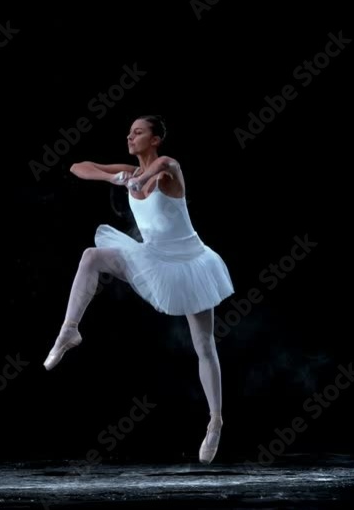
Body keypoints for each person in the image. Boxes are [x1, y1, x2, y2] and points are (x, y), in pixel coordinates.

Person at [42, 114, 235, 464]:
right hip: (152, 259)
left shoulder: (167, 172)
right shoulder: (129, 171)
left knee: (204, 345)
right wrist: (113, 177)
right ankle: (68, 332)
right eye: (129, 132)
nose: (130, 137)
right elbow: (76, 166)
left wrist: (142, 177)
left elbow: (165, 163)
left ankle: (216, 421)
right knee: (91, 256)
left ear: (156, 138)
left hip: (190, 265)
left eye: (138, 132)